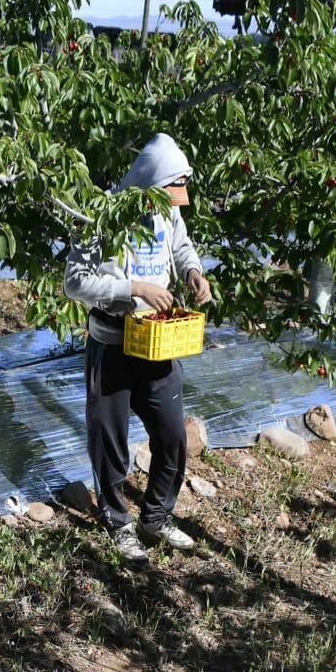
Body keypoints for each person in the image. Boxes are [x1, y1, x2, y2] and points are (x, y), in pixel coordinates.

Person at [62, 132, 214, 562]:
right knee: (110, 440)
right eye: (169, 191)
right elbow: (75, 282)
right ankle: (116, 520)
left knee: (171, 436)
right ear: (149, 182)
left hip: (157, 341)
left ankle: (156, 517)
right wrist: (135, 287)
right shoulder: (100, 217)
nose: (173, 201)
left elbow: (181, 245)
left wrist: (193, 274)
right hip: (111, 344)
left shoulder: (167, 212)